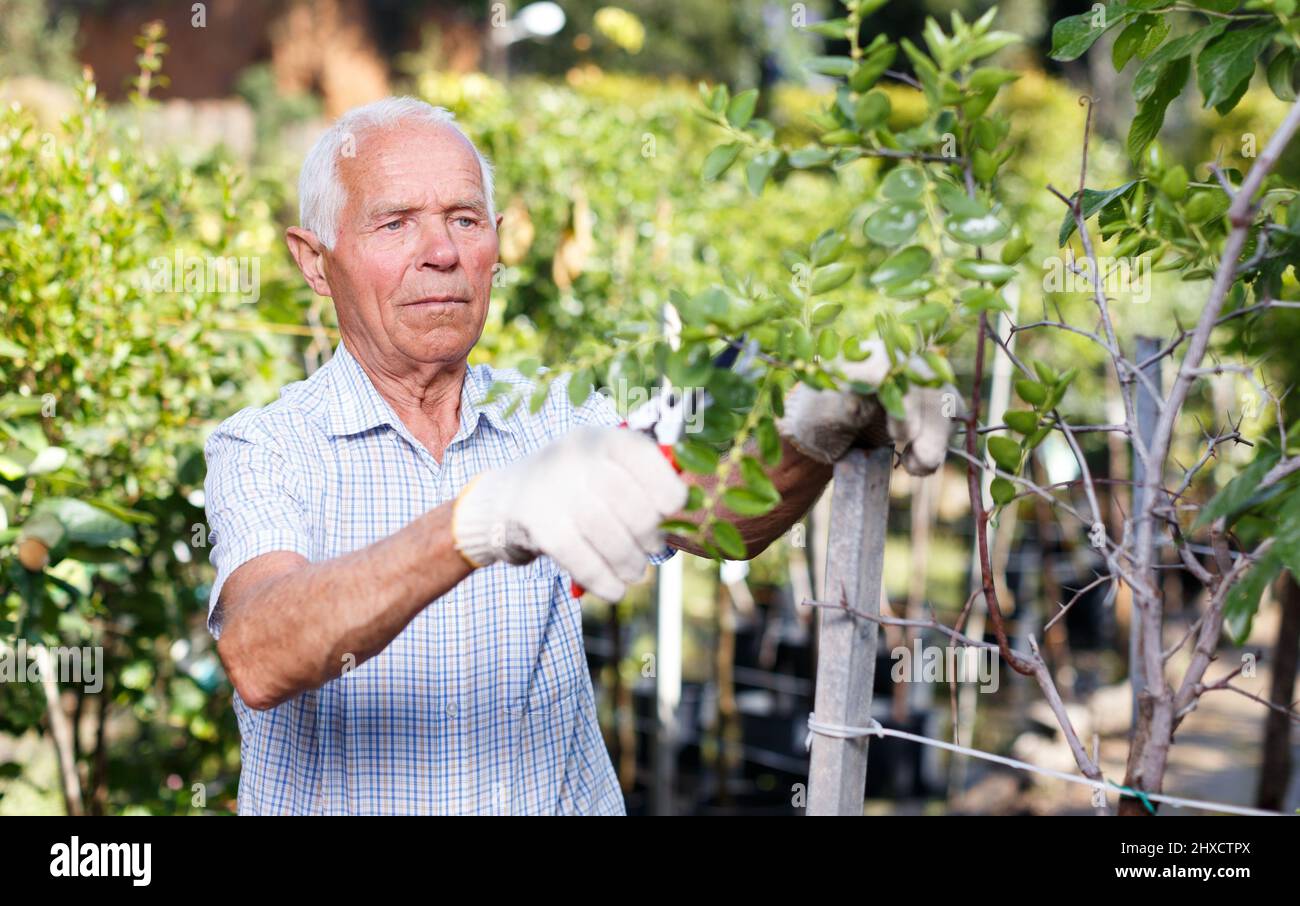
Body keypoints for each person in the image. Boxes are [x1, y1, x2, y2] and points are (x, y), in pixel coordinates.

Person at [203, 96, 955, 814]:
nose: (442, 254)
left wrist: (814, 429)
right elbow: (261, 652)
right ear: (313, 261)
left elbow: (723, 513)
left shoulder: (561, 416)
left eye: (465, 220)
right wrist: (479, 521)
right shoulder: (267, 446)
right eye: (395, 224)